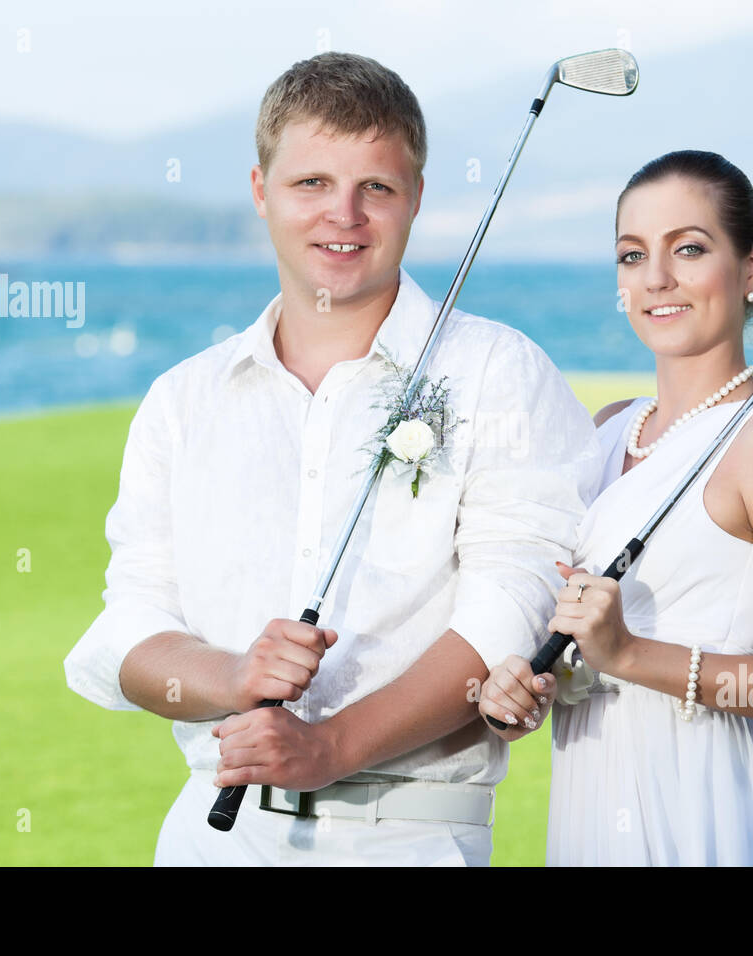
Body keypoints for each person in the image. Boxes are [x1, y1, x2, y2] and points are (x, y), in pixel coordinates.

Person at [63, 52, 603, 866]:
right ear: (261, 192)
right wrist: (234, 673)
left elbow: (512, 614)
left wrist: (332, 746)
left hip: (410, 833)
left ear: (415, 198)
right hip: (214, 834)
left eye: (375, 189)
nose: (342, 216)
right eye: (311, 183)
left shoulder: (500, 370)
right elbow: (134, 626)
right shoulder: (182, 399)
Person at [477, 150, 753, 866]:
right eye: (631, 255)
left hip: (702, 810)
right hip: (588, 801)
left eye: (689, 248)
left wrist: (630, 653)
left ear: (751, 268)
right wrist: (529, 683)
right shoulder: (607, 427)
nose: (656, 279)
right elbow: (575, 639)